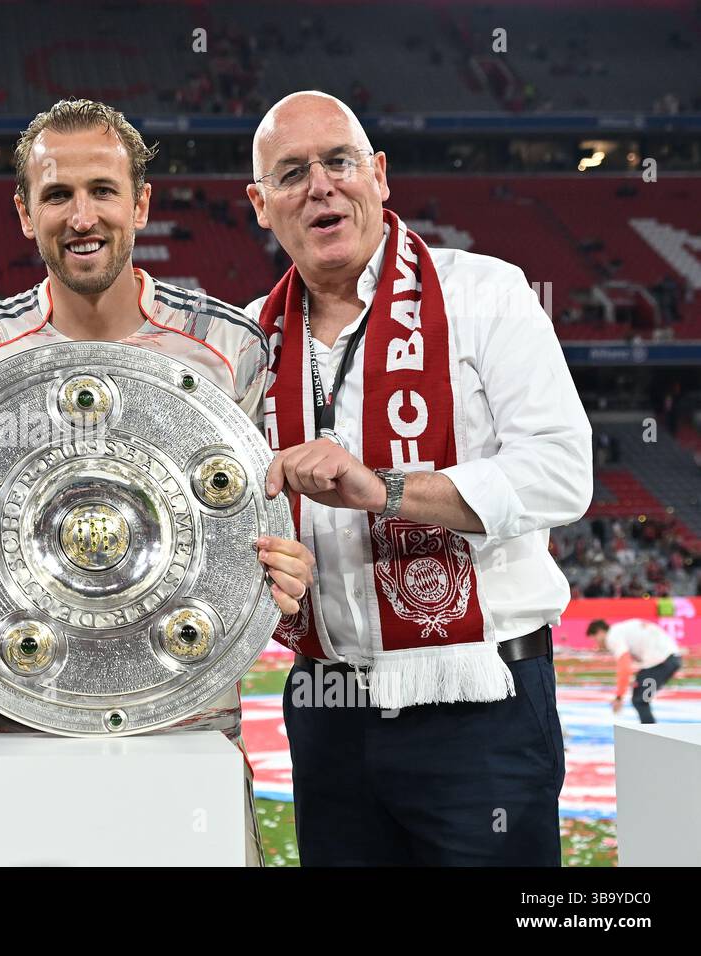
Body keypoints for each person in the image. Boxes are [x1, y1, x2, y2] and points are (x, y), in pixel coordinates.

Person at [0, 99, 318, 866]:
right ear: (24, 213)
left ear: (140, 202)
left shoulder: (228, 344)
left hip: (192, 717)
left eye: (102, 190)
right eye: (57, 195)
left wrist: (285, 562)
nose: (82, 215)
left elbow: (263, 520)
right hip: (32, 713)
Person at [246, 91, 592, 865]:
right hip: (327, 706)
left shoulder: (486, 294)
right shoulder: (248, 344)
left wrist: (388, 488)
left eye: (339, 161)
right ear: (260, 204)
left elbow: (563, 475)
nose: (321, 185)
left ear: (379, 173)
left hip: (480, 708)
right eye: (291, 172)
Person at [587, 618, 682, 723]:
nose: (597, 645)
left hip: (662, 661)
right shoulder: (621, 630)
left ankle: (650, 734)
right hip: (669, 658)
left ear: (600, 632)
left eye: (595, 640)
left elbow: (624, 667)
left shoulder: (612, 637)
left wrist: (619, 697)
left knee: (640, 700)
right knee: (641, 697)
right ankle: (650, 730)